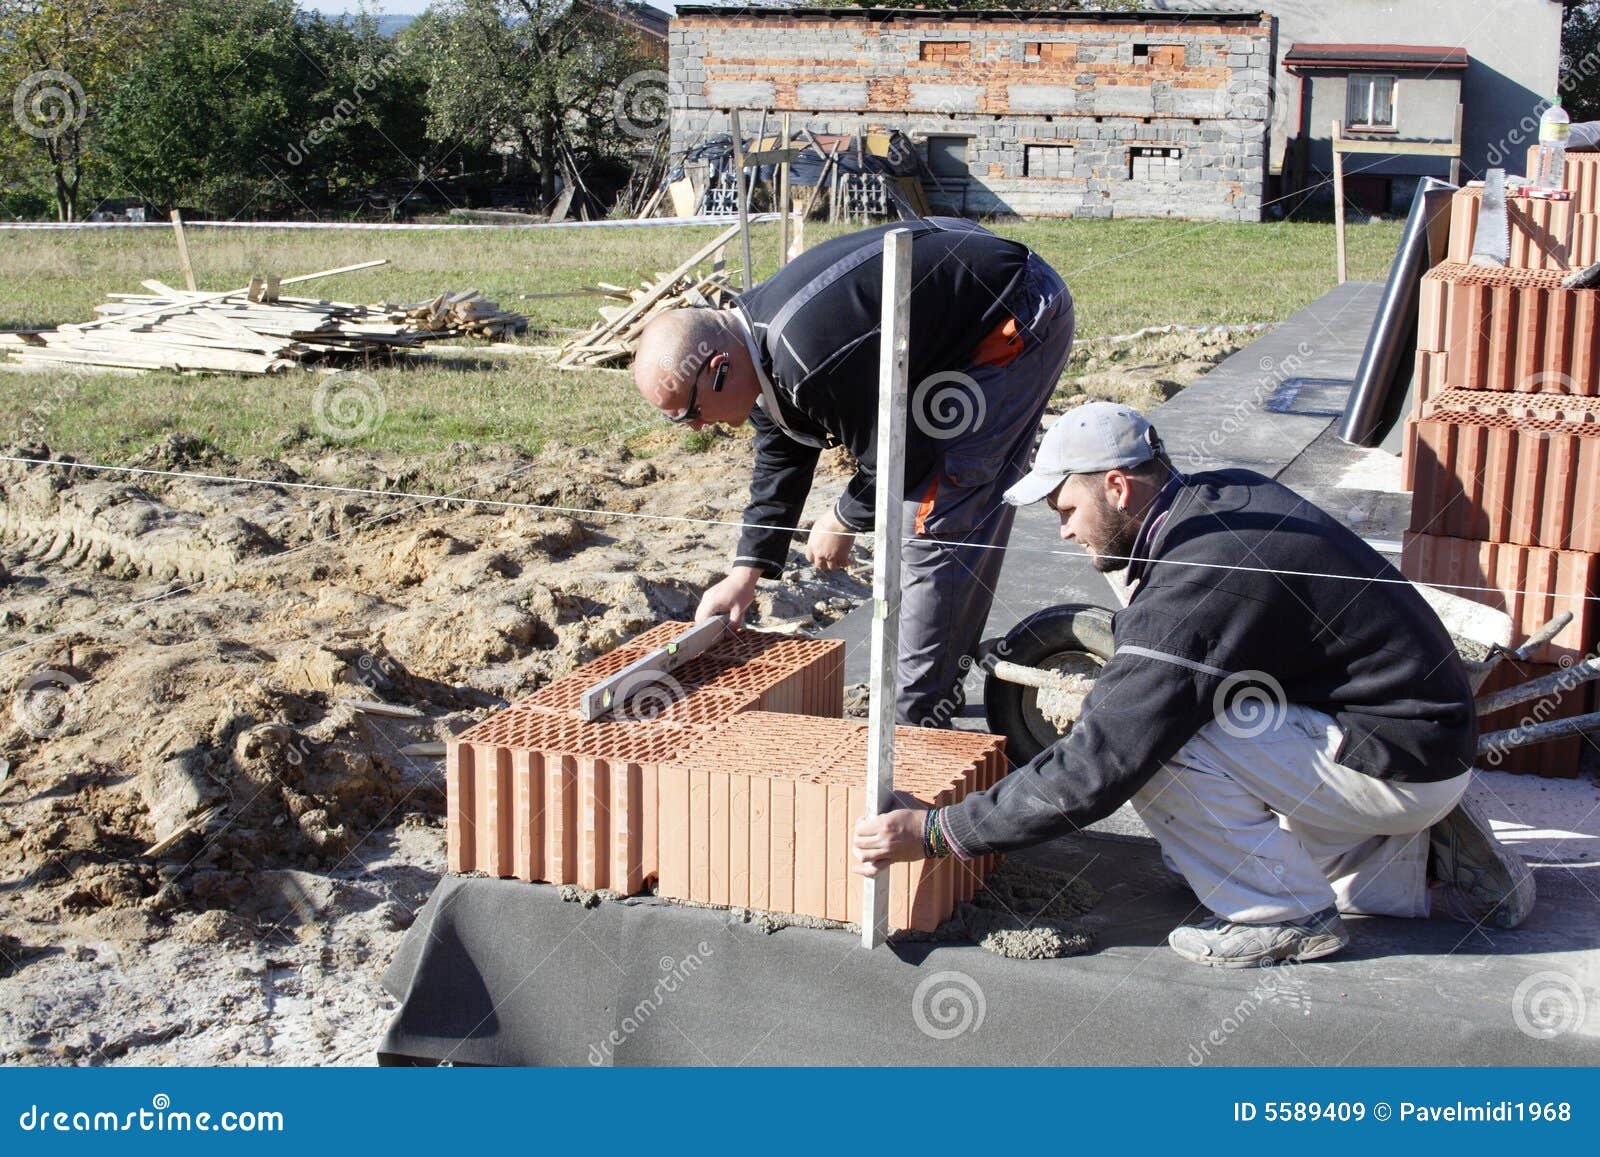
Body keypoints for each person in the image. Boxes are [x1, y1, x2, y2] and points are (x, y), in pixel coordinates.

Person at [852, 402, 1536, 967]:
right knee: (1174, 736)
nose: (1063, 531)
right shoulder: (1219, 498)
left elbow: (1103, 761)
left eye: (1065, 507)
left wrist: (942, 831)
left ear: (1118, 487)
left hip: (1400, 756)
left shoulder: (1196, 580)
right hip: (1416, 735)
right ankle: (1413, 860)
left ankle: (1285, 913)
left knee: (1158, 742)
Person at [633, 217, 1075, 727]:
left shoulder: (806, 356)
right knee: (925, 513)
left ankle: (919, 718)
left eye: (686, 413)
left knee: (935, 515)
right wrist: (744, 573)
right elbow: (784, 449)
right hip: (962, 316)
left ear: (717, 370)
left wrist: (842, 519)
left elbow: (904, 452)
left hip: (1013, 319)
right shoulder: (752, 343)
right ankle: (928, 685)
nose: (692, 429)